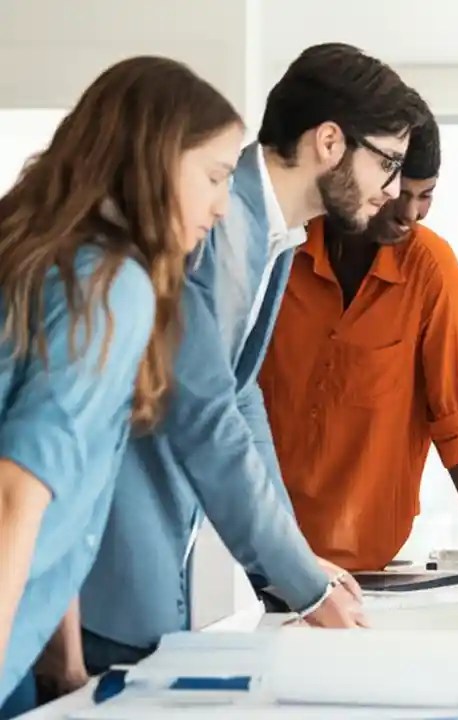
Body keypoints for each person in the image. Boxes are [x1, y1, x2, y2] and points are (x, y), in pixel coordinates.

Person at [79, 43, 429, 673]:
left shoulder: (274, 235)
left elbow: (243, 397)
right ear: (329, 141)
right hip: (107, 562)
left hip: (153, 556)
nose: (395, 189)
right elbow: (208, 419)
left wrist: (292, 557)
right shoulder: (215, 224)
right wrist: (303, 581)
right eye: (389, 162)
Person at [0, 56, 242, 716]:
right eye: (215, 177)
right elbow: (17, 491)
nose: (222, 207)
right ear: (156, 159)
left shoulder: (42, 255)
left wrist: (63, 665)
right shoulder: (111, 286)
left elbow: (56, 505)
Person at [259, 116, 458, 575]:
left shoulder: (433, 272)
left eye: (425, 195)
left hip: (361, 553)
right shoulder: (285, 250)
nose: (410, 213)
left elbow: (451, 417)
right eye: (399, 192)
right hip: (259, 538)